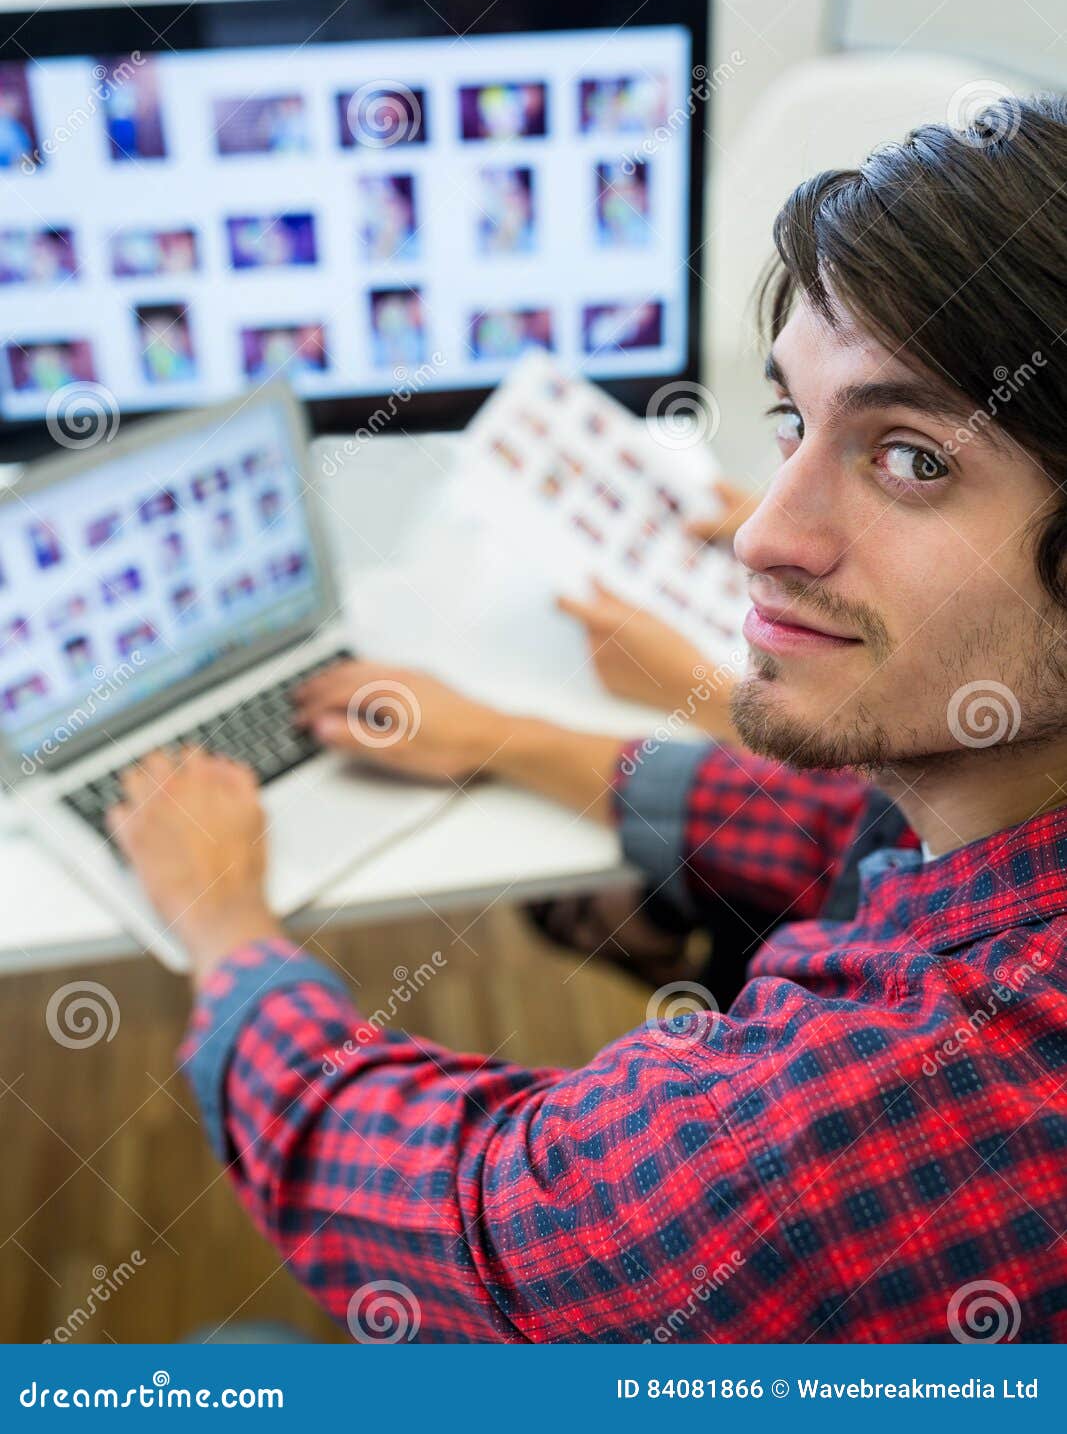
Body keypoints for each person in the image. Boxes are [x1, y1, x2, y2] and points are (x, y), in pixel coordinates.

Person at [110, 95, 1067, 1343]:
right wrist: (515, 742)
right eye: (793, 421)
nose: (764, 533)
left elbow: (471, 1219)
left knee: (206, 1365)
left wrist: (224, 924)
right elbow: (859, 840)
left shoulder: (865, 1117)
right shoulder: (1000, 808)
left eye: (911, 459)